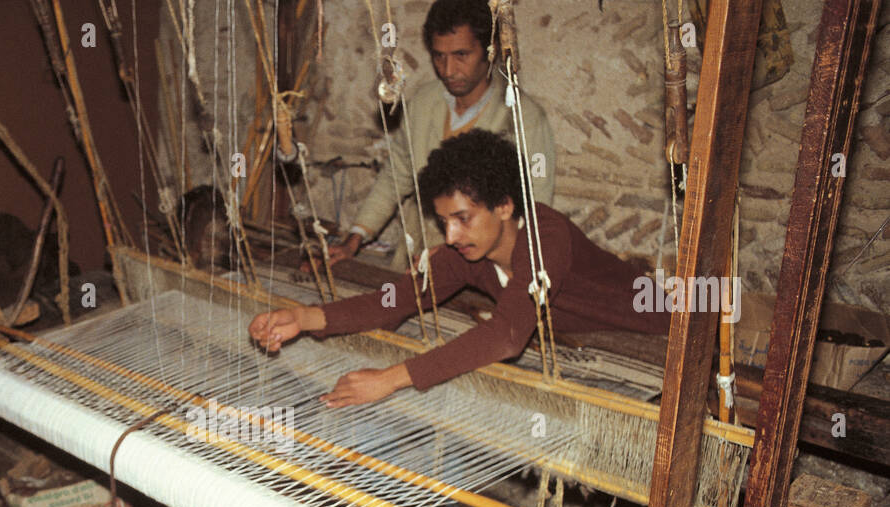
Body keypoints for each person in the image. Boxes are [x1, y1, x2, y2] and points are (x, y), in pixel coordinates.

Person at [250, 130, 668, 406]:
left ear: (504, 206)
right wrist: (305, 317)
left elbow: (506, 336)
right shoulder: (469, 249)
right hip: (588, 339)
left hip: (655, 328)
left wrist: (391, 378)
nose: (449, 236)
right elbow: (395, 298)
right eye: (443, 221)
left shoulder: (546, 238)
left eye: (462, 218)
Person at [324, 0, 555, 272]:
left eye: (461, 55)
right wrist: (355, 238)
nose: (448, 70)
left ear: (489, 52)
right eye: (439, 56)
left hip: (485, 270)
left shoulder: (523, 118)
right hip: (417, 259)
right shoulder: (423, 103)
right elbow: (395, 176)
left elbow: (535, 211)